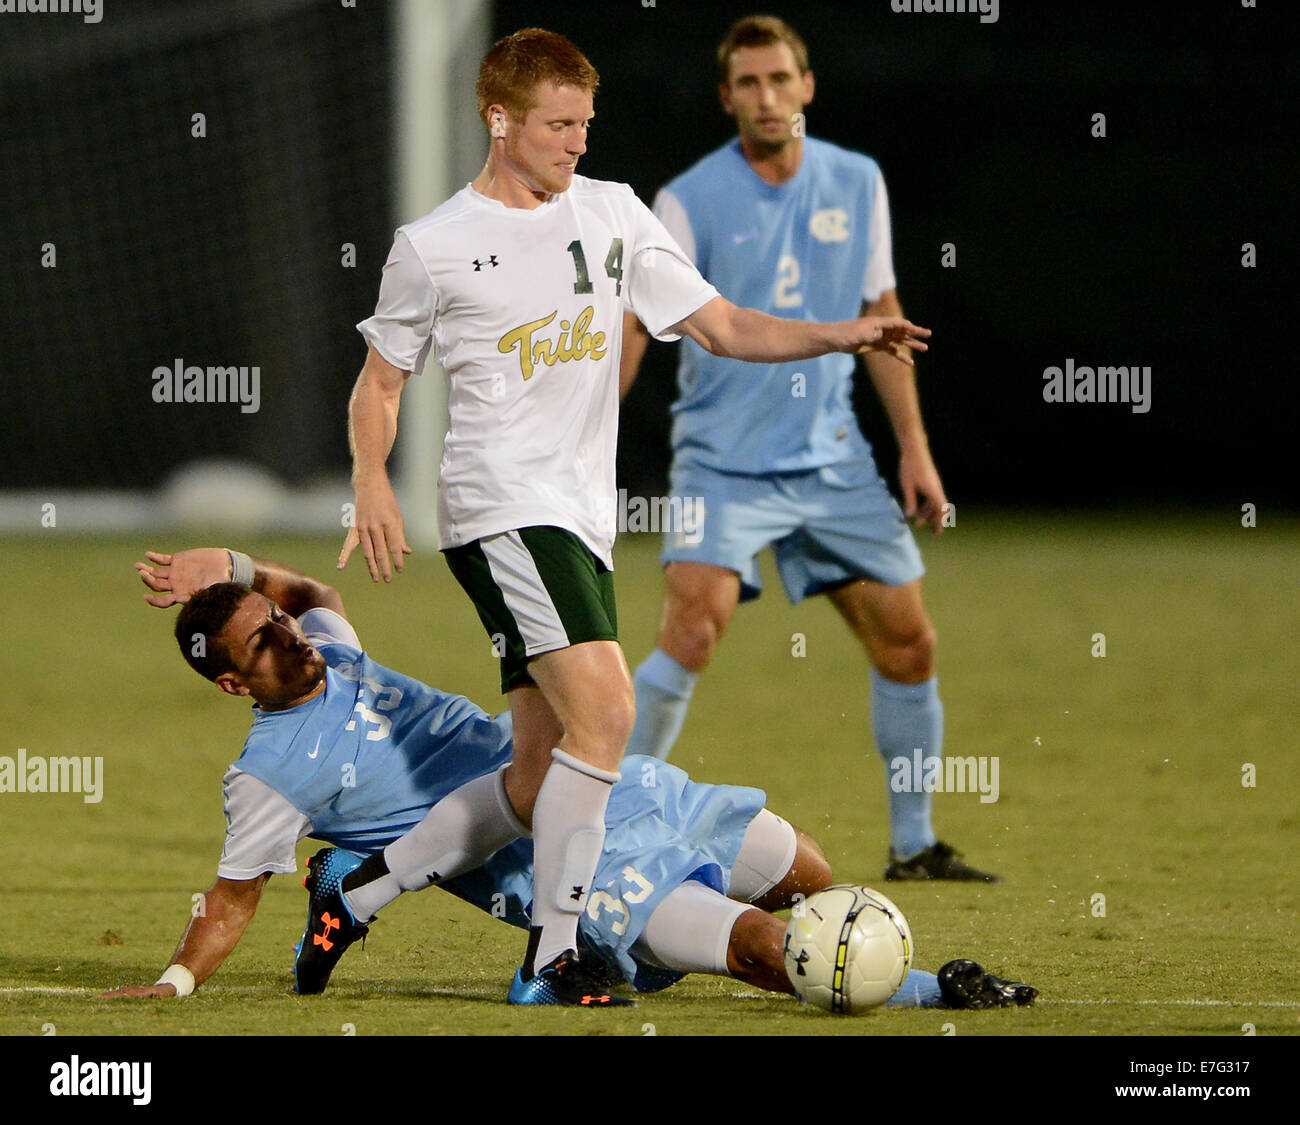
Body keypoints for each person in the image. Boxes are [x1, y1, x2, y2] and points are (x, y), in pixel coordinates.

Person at [335, 27, 932, 1001]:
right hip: (497, 511)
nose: (576, 143)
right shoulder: (433, 246)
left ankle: (356, 896)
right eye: (557, 125)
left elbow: (725, 325)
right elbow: (381, 381)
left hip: (579, 520)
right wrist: (369, 477)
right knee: (608, 713)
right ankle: (554, 952)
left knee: (535, 777)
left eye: (585, 124)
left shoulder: (612, 213)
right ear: (499, 119)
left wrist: (844, 334)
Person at [98, 547, 1035, 1012]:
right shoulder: (265, 774)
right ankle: (936, 988)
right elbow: (229, 900)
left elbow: (318, 597)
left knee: (810, 875)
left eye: (275, 620)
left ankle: (358, 891)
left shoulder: (330, 651)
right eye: (262, 639)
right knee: (767, 948)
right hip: (535, 852)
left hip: (597, 773)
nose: (287, 633)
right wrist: (175, 982)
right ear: (233, 682)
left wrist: (229, 567)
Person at [619, 16, 995, 884]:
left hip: (831, 463)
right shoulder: (688, 198)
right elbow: (639, 320)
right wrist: (593, 432)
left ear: (807, 86)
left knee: (910, 644)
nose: (766, 96)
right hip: (723, 460)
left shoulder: (857, 182)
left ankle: (914, 845)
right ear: (727, 98)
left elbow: (881, 315)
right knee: (692, 626)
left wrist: (915, 448)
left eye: (780, 79)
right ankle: (612, 815)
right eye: (748, 83)